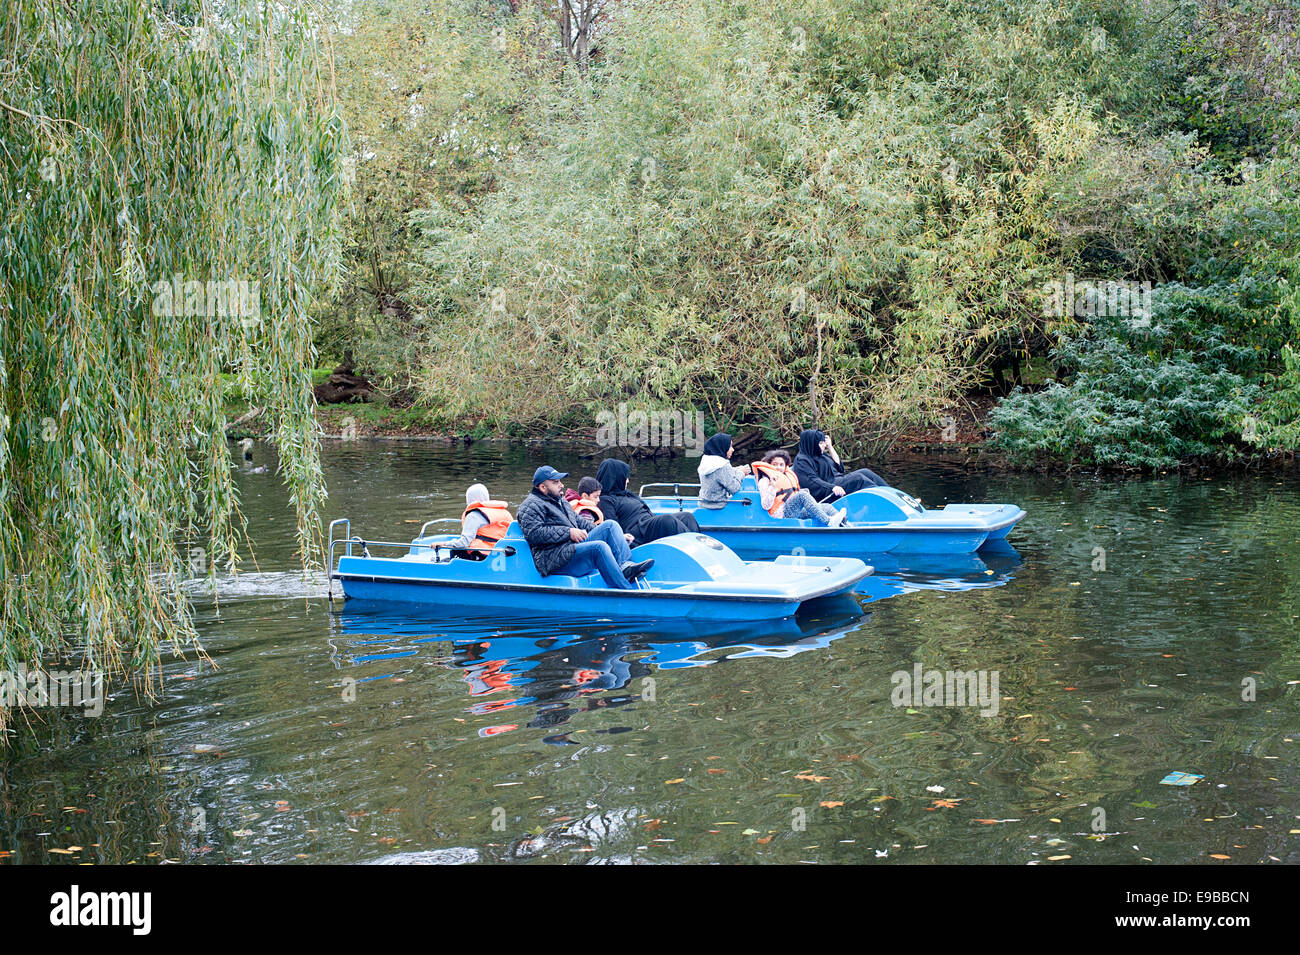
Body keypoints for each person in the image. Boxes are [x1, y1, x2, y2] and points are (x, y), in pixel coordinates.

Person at [516, 465, 653, 589]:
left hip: (570, 549)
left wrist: (618, 538)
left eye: (560, 481)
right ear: (542, 487)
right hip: (554, 559)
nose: (561, 485)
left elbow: (582, 524)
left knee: (610, 526)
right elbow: (534, 534)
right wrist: (568, 532)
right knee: (599, 547)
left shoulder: (561, 501)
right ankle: (624, 590)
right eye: (555, 482)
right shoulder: (530, 506)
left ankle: (626, 567)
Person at [595, 458, 700, 545]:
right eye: (625, 477)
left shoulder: (626, 494)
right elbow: (612, 526)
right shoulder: (605, 500)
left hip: (648, 523)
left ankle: (700, 547)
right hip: (638, 532)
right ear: (616, 478)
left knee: (686, 517)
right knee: (667, 521)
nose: (628, 480)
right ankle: (692, 547)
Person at [752, 450, 848, 526]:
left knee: (827, 507)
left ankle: (845, 524)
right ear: (769, 465)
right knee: (802, 496)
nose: (778, 467)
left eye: (781, 465)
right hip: (781, 515)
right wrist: (772, 486)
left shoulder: (787, 475)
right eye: (775, 464)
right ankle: (829, 522)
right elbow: (766, 505)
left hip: (793, 510)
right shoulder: (765, 480)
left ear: (786, 466)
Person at [792, 429, 889, 503]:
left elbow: (839, 467)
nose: (824, 446)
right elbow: (812, 481)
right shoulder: (802, 460)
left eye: (824, 443)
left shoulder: (820, 454)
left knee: (866, 472)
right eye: (821, 443)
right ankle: (883, 501)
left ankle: (890, 494)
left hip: (837, 480)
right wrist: (832, 487)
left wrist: (830, 447)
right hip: (826, 489)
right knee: (859, 478)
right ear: (812, 444)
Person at [453, 484, 514, 557]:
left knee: (455, 549)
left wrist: (443, 544)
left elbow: (463, 543)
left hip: (484, 554)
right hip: (505, 552)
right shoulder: (505, 512)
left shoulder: (474, 515)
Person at [696, 433, 750, 509]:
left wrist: (736, 470)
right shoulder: (722, 465)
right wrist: (742, 473)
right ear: (722, 447)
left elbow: (719, 475)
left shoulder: (707, 460)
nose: (732, 449)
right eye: (730, 446)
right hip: (718, 506)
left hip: (703, 503)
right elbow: (734, 488)